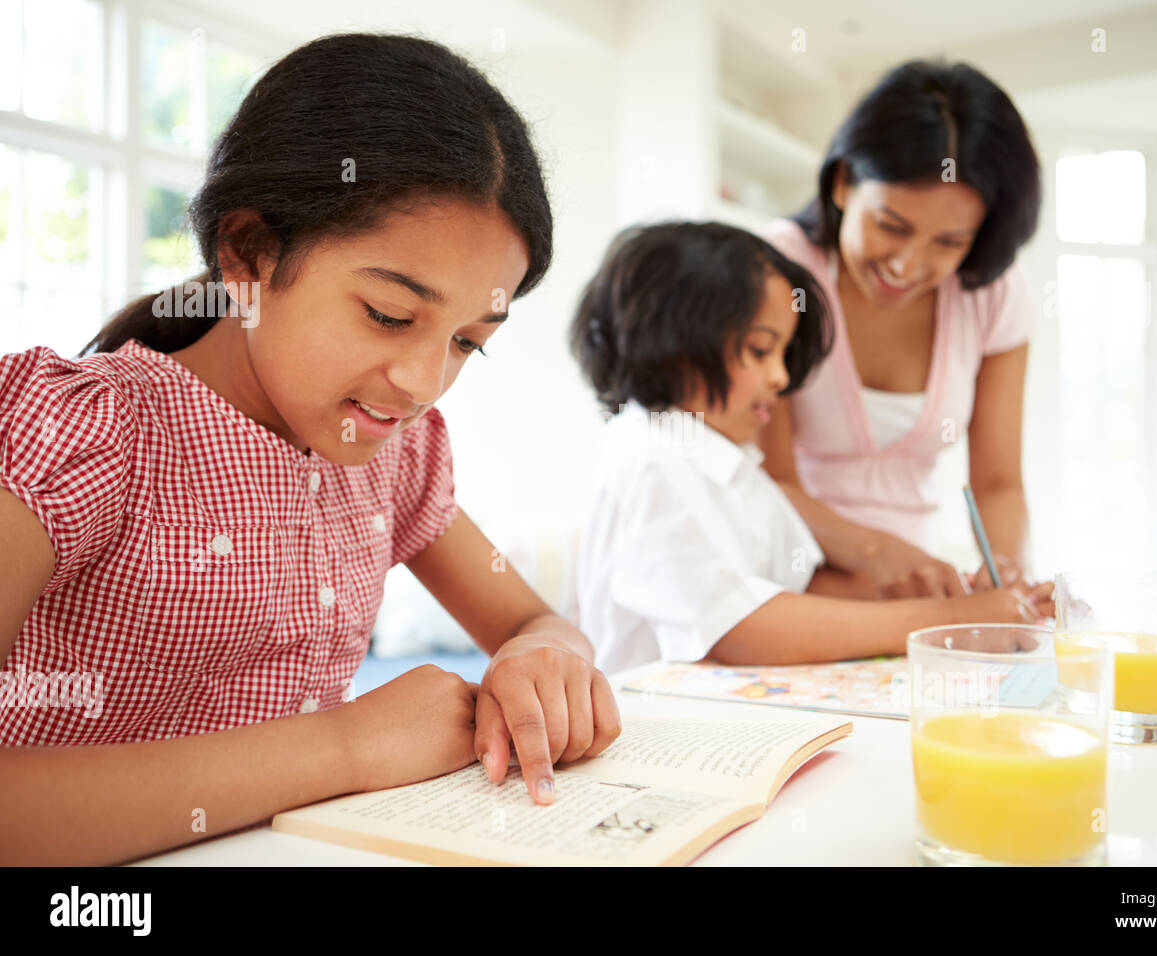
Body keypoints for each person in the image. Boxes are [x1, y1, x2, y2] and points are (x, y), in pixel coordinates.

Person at [0, 33, 620, 865]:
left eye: (469, 341)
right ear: (249, 252)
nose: (423, 380)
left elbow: (534, 617)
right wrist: (345, 747)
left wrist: (546, 655)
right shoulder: (82, 432)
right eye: (390, 315)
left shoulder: (396, 459)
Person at [571, 221, 1052, 674]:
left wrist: (958, 598)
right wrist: (944, 623)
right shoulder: (655, 458)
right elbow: (741, 629)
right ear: (676, 344)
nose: (781, 379)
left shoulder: (733, 467)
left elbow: (803, 589)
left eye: (782, 354)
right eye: (761, 351)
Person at [760, 60, 1044, 600]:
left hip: (911, 592)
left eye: (949, 242)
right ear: (843, 183)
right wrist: (878, 554)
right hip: (789, 585)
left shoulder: (993, 290)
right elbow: (773, 481)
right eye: (891, 225)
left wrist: (1004, 570)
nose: (908, 266)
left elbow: (999, 483)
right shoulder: (777, 273)